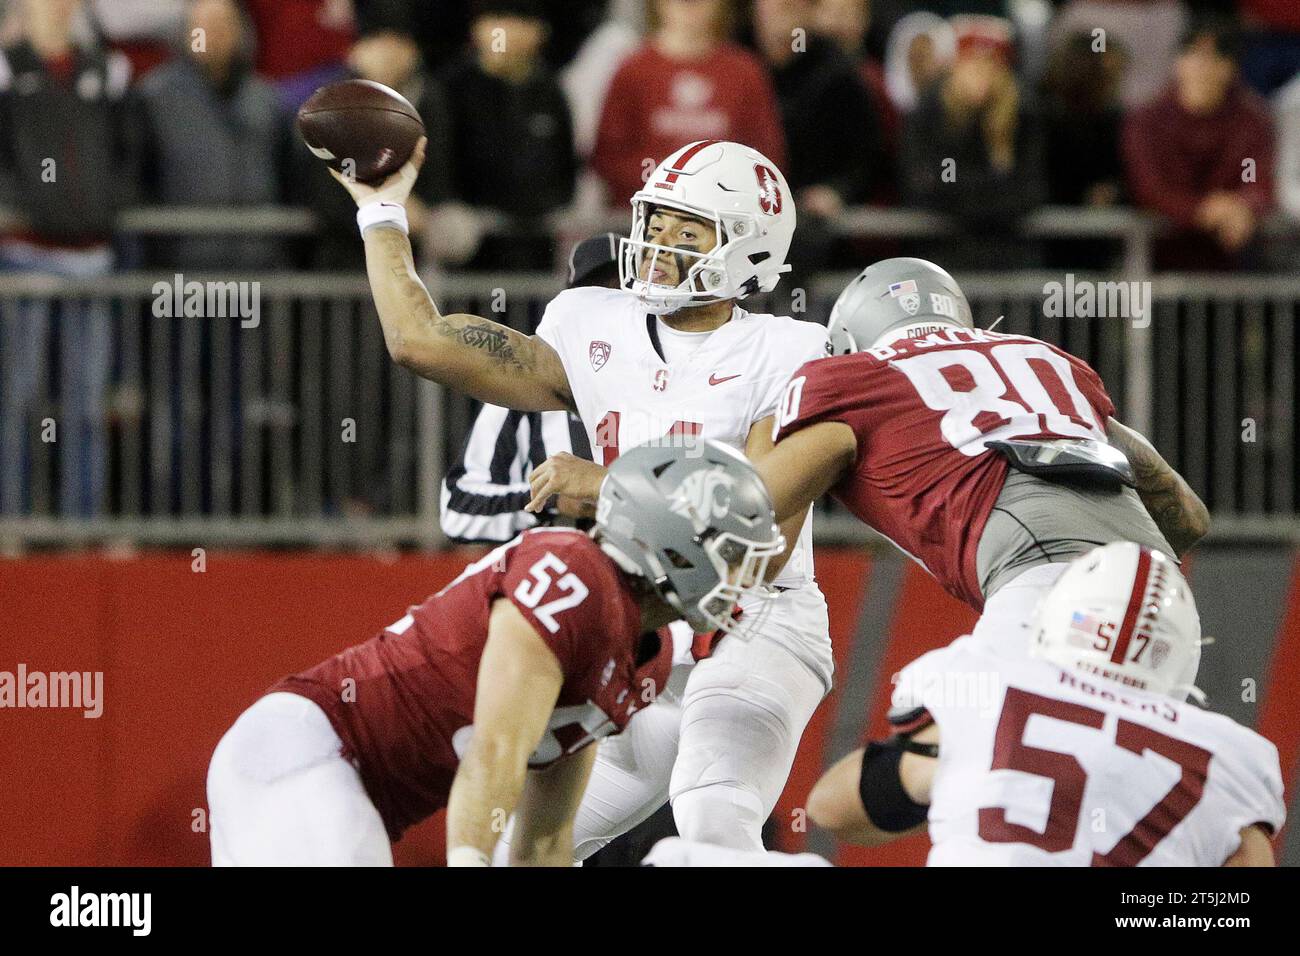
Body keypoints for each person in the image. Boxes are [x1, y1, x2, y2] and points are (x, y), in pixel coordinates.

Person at [328, 137, 833, 857]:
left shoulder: (789, 351)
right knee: (519, 851)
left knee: (712, 820)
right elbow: (420, 342)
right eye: (655, 223)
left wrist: (602, 486)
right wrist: (380, 209)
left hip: (755, 626)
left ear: (750, 252)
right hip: (635, 632)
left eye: (687, 232)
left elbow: (754, 532)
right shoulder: (591, 322)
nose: (658, 245)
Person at [206, 440, 785, 865]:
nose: (742, 578)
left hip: (349, 785)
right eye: (732, 555)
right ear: (673, 541)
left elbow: (544, 842)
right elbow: (497, 747)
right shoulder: (573, 572)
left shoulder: (647, 658)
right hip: (312, 749)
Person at [757, 257, 1209, 663]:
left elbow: (753, 508)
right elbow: (1188, 515)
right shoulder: (1044, 357)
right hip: (1161, 589)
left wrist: (759, 421)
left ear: (850, 339)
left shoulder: (852, 377)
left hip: (1039, 567)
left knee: (936, 736)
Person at [807, 543, 1285, 866]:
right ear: (1180, 657)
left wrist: (951, 773)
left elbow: (829, 808)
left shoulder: (984, 683)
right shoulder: (1232, 757)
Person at [0, 0, 136, 517]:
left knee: (86, 403)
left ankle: (83, 522)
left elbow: (129, 154)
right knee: (19, 400)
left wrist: (103, 204)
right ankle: (13, 521)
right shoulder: (8, 68)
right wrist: (21, 205)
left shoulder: (106, 71)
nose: (57, 8)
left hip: (90, 258)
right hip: (24, 257)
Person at [438, 234, 616, 543]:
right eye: (598, 296)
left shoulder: (676, 385)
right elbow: (457, 512)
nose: (610, 311)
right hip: (559, 571)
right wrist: (552, 502)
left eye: (622, 297)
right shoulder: (523, 389)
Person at [134, 0, 290, 270]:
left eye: (222, 26)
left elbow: (288, 177)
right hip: (181, 273)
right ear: (186, 34)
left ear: (240, 32)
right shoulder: (155, 98)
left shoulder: (266, 100)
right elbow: (138, 178)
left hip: (258, 270)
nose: (212, 37)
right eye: (202, 29)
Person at [591, 0, 785, 207]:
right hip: (645, 213)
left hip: (726, 214)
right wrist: (674, 185)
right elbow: (608, 157)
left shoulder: (746, 72)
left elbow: (766, 156)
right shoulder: (632, 70)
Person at [1122, 17, 1276, 270]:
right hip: (1159, 264)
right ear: (1177, 62)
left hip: (1231, 263)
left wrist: (1245, 205)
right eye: (1194, 55)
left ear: (1231, 67)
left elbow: (1255, 178)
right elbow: (1149, 187)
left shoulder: (1251, 120)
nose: (1203, 68)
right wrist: (1203, 210)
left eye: (1215, 58)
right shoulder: (1146, 120)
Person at [439, 0, 576, 270]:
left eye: (521, 20)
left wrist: (547, 207)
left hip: (535, 244)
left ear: (540, 31)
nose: (508, 31)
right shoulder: (452, 88)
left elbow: (565, 164)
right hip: (470, 250)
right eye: (498, 18)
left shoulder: (551, 91)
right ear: (477, 28)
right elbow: (440, 164)